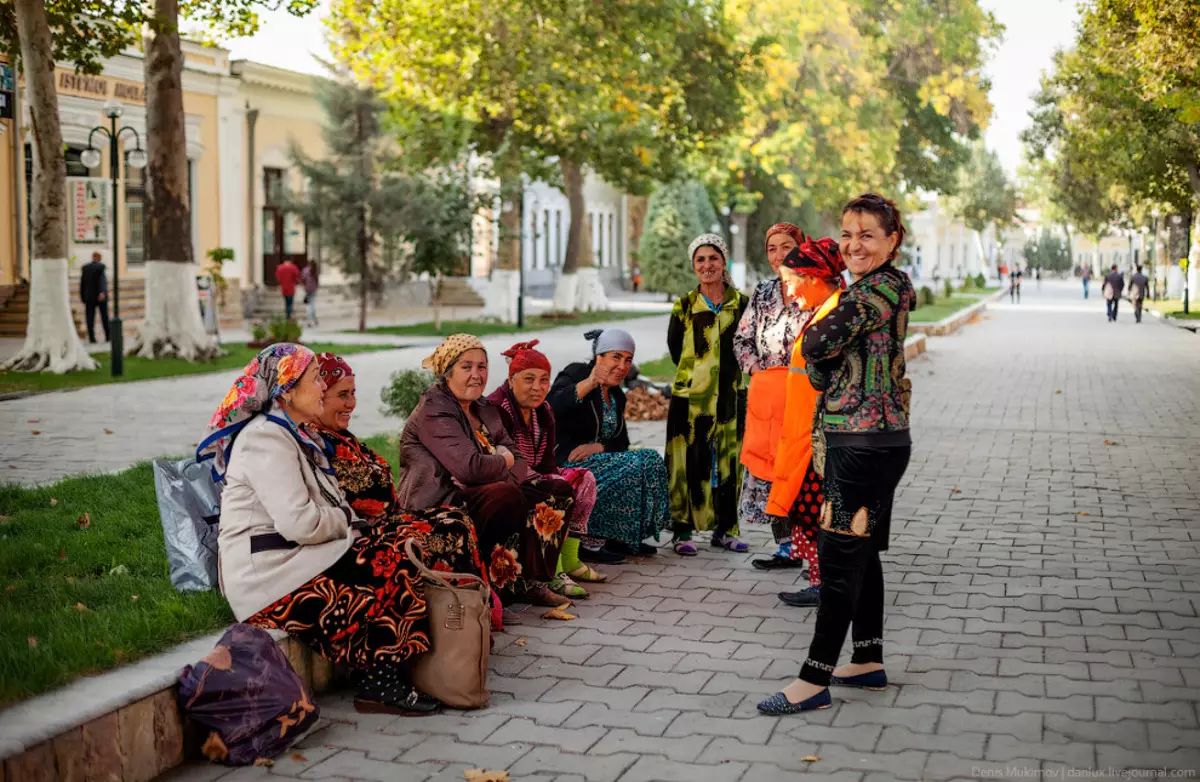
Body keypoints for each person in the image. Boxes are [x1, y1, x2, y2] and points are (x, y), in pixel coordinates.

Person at [199, 344, 440, 717]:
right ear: (287, 391)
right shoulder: (266, 439)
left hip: (291, 559)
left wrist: (349, 523)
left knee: (395, 547)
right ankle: (382, 682)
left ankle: (387, 676)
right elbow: (302, 523)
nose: (323, 389)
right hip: (268, 578)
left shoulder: (291, 433)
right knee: (386, 559)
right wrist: (348, 522)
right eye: (315, 380)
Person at [758, 193, 915, 717]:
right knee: (861, 551)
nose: (854, 244)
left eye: (867, 235)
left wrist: (823, 366)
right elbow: (824, 350)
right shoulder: (872, 287)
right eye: (847, 234)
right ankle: (867, 660)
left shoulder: (881, 288)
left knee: (839, 557)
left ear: (892, 241)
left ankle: (814, 677)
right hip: (868, 440)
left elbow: (819, 340)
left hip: (864, 445)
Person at [395, 334, 573, 607]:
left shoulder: (483, 408)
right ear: (447, 370)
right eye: (467, 367)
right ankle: (486, 585)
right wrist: (500, 463)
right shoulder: (435, 409)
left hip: (477, 492)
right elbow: (471, 468)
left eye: (482, 366)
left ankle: (529, 581)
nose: (477, 375)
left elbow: (520, 461)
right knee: (505, 494)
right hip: (438, 504)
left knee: (557, 490)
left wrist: (497, 467)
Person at [310, 352, 488, 581]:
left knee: (455, 518)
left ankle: (470, 602)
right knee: (451, 528)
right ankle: (457, 605)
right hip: (355, 537)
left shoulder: (340, 436)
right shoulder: (316, 442)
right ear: (318, 396)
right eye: (342, 395)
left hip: (385, 523)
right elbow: (367, 497)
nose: (351, 403)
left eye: (353, 393)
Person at [487, 340, 602, 600]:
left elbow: (548, 462)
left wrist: (557, 478)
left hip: (535, 476)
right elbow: (506, 464)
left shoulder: (544, 410)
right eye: (529, 379)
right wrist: (551, 481)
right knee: (555, 489)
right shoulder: (498, 408)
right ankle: (552, 573)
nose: (537, 388)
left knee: (583, 480)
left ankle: (570, 560)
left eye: (544, 380)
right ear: (512, 378)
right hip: (507, 479)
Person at [766, 238, 846, 606]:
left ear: (813, 278)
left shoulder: (835, 315)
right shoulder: (823, 311)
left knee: (816, 510)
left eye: (791, 280)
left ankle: (824, 584)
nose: (788, 290)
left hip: (821, 436)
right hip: (804, 432)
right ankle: (820, 579)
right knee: (808, 508)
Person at [549, 329, 671, 560]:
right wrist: (591, 382)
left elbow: (621, 441)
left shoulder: (617, 396)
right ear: (599, 356)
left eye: (628, 360)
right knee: (634, 464)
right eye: (616, 357)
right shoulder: (576, 373)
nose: (622, 366)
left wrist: (600, 447)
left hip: (598, 458)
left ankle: (622, 538)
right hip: (567, 461)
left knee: (650, 461)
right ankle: (589, 544)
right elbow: (551, 406)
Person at [733, 222, 810, 569]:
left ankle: (809, 548)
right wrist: (756, 371)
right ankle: (784, 547)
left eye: (787, 246)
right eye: (772, 248)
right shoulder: (763, 291)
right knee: (769, 469)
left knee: (800, 469)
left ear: (801, 247)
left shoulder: (815, 287)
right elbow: (741, 340)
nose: (779, 255)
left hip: (804, 395)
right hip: (767, 395)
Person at [666, 233, 749, 555]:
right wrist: (698, 375)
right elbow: (675, 350)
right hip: (690, 399)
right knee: (687, 464)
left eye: (713, 258)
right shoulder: (685, 305)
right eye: (700, 259)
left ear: (723, 261)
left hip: (731, 397)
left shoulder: (741, 304)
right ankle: (682, 532)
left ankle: (726, 529)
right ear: (693, 265)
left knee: (730, 462)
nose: (707, 265)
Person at [80, 252, 110, 344]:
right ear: (100, 258)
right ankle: (108, 336)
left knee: (90, 318)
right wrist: (102, 292)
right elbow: (102, 280)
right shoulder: (101, 267)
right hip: (100, 296)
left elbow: (82, 283)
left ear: (92, 257)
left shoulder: (85, 268)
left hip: (89, 297)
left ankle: (92, 338)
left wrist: (82, 296)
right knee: (104, 316)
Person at [302, 262, 320, 327]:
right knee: (312, 304)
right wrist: (317, 287)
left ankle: (310, 320)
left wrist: (304, 286)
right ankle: (314, 319)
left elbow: (303, 279)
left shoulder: (305, 270)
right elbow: (317, 280)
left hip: (307, 289)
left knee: (309, 305)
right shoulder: (315, 270)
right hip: (313, 289)